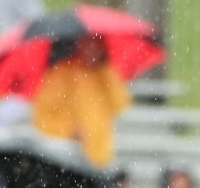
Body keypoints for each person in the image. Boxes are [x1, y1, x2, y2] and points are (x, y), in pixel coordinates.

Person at [30, 35, 131, 168]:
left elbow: (120, 104)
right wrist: (67, 131)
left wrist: (104, 69)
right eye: (87, 42)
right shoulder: (61, 73)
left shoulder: (105, 73)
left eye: (96, 43)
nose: (92, 48)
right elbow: (42, 117)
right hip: (67, 159)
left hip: (99, 158)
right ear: (77, 43)